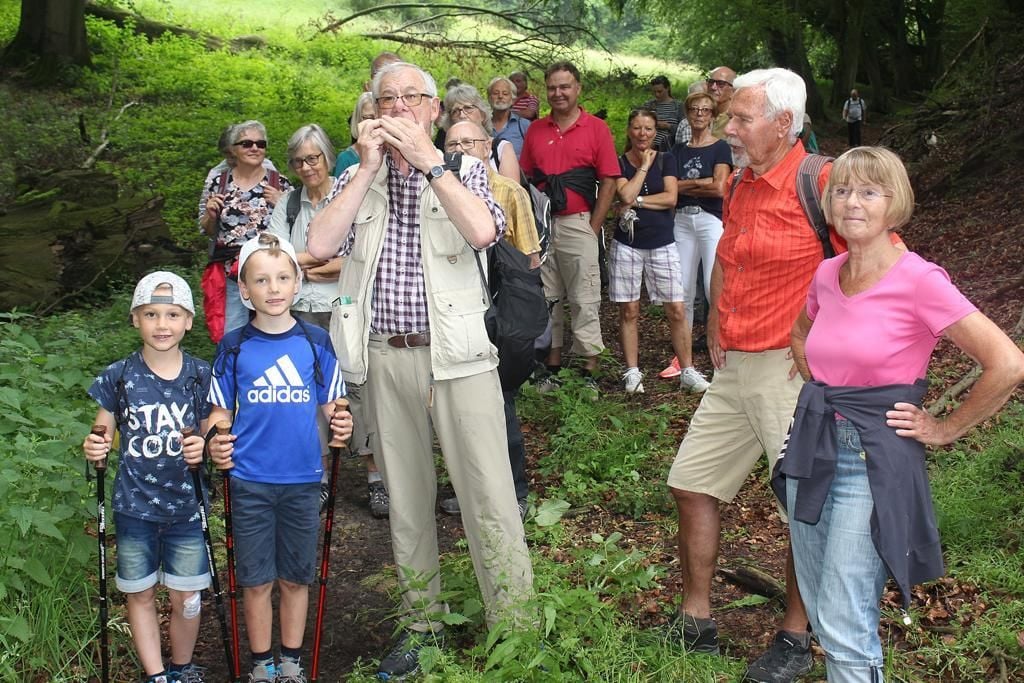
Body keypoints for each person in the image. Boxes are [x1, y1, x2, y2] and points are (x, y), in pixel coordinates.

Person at [306, 61, 534, 680]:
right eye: (388, 98)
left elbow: (486, 230)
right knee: (407, 501)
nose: (401, 107)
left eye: (413, 98)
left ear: (435, 110)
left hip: (458, 360)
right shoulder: (358, 177)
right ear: (372, 110)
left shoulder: (462, 169)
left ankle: (515, 630)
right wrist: (370, 168)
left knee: (488, 494)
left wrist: (431, 164)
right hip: (385, 354)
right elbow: (321, 246)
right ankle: (422, 626)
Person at [784, 146, 1024, 681]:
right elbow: (801, 335)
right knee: (823, 610)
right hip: (814, 448)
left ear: (895, 204)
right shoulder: (828, 274)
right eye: (842, 190)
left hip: (873, 460)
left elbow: (1007, 364)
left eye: (870, 191)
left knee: (846, 621)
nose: (852, 202)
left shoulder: (919, 280)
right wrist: (824, 390)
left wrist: (945, 428)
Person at [667, 68, 847, 683]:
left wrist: (815, 335)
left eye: (741, 118)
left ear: (783, 123)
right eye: (729, 116)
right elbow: (729, 254)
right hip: (735, 364)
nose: (728, 128)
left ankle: (796, 638)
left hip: (791, 371)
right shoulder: (741, 180)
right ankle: (696, 619)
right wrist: (716, 317)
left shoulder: (822, 182)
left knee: (802, 504)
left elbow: (872, 265)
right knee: (692, 483)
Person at [206, 234, 351, 683]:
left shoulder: (315, 341)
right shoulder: (233, 347)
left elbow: (334, 404)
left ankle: (291, 660)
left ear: (297, 283)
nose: (273, 288)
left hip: (304, 478)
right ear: (245, 290)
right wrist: (215, 441)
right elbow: (219, 412)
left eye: (283, 278)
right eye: (262, 280)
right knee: (254, 579)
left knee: (295, 576)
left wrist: (342, 423)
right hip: (248, 478)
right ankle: (260, 663)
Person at [83, 272, 212, 683]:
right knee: (138, 593)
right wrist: (94, 449)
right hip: (134, 506)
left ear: (189, 320)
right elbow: (100, 435)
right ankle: (157, 675)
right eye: (151, 314)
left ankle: (182, 666)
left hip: (188, 505)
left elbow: (216, 435)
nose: (162, 324)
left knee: (187, 596)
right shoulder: (118, 376)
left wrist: (206, 447)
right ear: (135, 319)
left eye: (172, 314)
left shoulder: (201, 376)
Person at [268, 124, 389, 519]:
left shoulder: (349, 189)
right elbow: (275, 259)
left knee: (359, 388)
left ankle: (377, 478)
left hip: (348, 307)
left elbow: (364, 251)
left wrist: (310, 260)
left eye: (313, 158)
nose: (306, 167)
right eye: (299, 160)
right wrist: (318, 261)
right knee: (309, 395)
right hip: (300, 313)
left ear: (327, 157)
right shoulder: (287, 204)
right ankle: (318, 479)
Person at [439, 119, 543, 519]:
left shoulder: (508, 191)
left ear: (488, 147)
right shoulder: (435, 189)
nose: (462, 149)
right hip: (449, 314)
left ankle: (514, 491)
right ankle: (467, 490)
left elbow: (529, 256)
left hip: (498, 310)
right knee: (456, 411)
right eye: (453, 143)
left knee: (501, 404)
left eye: (470, 141)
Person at [519, 61, 620, 384]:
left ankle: (590, 368)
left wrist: (593, 225)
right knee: (548, 297)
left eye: (565, 87)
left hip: (579, 222)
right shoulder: (536, 130)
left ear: (577, 89)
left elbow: (609, 180)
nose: (558, 93)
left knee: (585, 295)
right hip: (544, 225)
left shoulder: (596, 129)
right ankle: (552, 364)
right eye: (552, 88)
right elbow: (525, 179)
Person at [611, 109, 707, 395]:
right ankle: (632, 371)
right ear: (629, 130)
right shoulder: (619, 163)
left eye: (649, 129)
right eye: (638, 128)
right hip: (627, 244)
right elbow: (623, 195)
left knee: (676, 308)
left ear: (656, 132)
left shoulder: (667, 159)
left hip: (662, 241)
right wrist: (642, 168)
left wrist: (638, 200)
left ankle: (687, 370)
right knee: (629, 309)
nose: (643, 134)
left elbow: (670, 198)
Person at [659, 91, 733, 380]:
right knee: (683, 290)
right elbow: (671, 190)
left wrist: (685, 184)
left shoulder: (721, 148)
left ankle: (721, 352)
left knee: (712, 286)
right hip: (681, 221)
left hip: (710, 220)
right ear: (688, 114)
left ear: (713, 115)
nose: (700, 114)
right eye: (695, 109)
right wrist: (699, 183)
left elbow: (719, 189)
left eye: (705, 110)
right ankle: (682, 358)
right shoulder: (677, 150)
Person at [199, 120, 290, 335]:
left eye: (261, 143)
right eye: (247, 143)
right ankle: (235, 368)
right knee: (233, 333)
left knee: (273, 333)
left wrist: (282, 203)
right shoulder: (217, 182)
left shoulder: (280, 183)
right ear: (233, 149)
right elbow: (207, 230)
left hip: (272, 274)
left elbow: (298, 229)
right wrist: (211, 216)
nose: (255, 148)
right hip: (233, 274)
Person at [440, 84, 521, 182]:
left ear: (482, 114)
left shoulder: (501, 148)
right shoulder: (450, 149)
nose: (462, 114)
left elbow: (512, 192)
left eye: (468, 108)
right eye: (455, 111)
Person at [488, 76, 531, 157]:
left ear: (513, 99)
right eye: (495, 93)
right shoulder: (481, 125)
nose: (500, 96)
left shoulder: (524, 126)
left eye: (505, 93)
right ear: (489, 98)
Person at [334, 92, 376, 175]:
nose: (375, 122)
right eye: (369, 118)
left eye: (378, 117)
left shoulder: (393, 154)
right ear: (358, 119)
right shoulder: (345, 159)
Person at [642, 75, 685, 152]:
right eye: (654, 92)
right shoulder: (649, 105)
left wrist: (668, 126)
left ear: (667, 88)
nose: (657, 95)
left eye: (660, 91)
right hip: (648, 145)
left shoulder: (678, 106)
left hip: (669, 147)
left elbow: (684, 129)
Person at [705, 66, 737, 139]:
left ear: (733, 90)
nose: (713, 87)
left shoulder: (735, 120)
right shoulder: (700, 114)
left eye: (721, 84)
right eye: (711, 82)